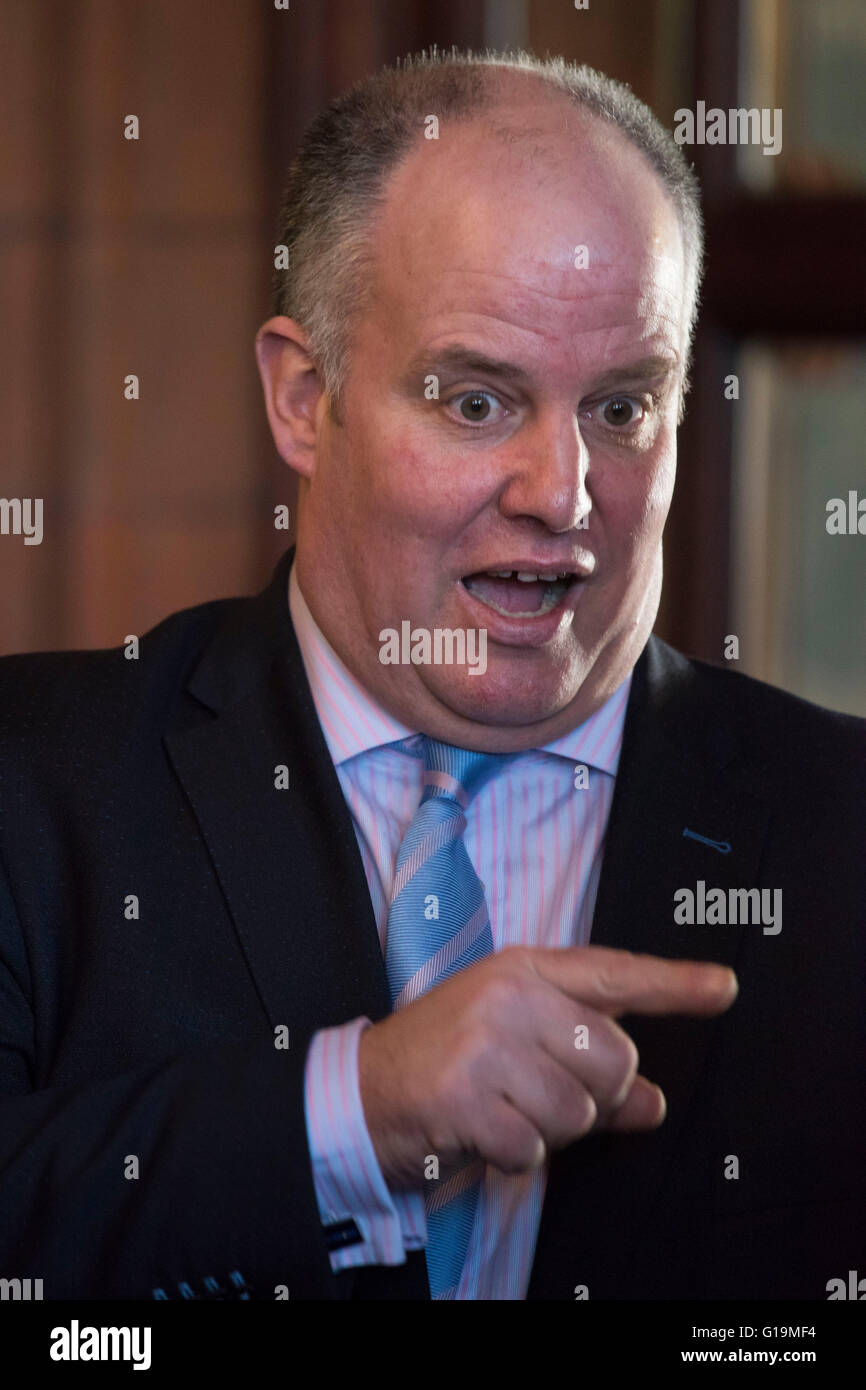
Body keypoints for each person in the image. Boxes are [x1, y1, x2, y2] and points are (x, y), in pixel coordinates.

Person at [0, 51, 863, 1303]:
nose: (559, 494)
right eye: (475, 401)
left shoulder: (841, 830)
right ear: (305, 400)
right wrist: (354, 1109)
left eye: (621, 408)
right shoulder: (35, 782)